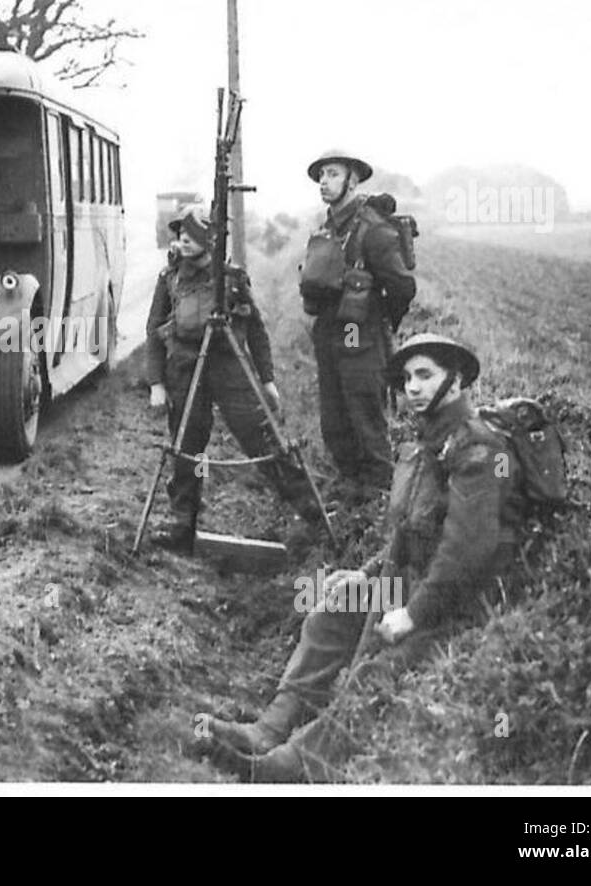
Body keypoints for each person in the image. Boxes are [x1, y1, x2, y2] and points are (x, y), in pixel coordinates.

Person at [204, 333, 526, 782]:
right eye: (407, 378)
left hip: (456, 606)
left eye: (425, 375)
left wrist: (412, 615)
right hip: (412, 585)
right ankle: (268, 729)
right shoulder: (423, 447)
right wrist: (366, 572)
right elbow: (405, 537)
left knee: (375, 673)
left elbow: (465, 554)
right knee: (334, 606)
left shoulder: (479, 451)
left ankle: (296, 764)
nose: (412, 388)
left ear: (455, 384)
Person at [144, 205, 322, 553]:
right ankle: (183, 524)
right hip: (184, 370)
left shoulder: (232, 278)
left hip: (229, 368)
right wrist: (156, 383)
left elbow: (255, 329)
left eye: (192, 235)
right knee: (187, 452)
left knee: (263, 441)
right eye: (180, 235)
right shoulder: (169, 278)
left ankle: (310, 512)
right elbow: (153, 330)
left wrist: (267, 380)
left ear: (210, 239)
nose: (184, 241)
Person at [301, 150, 417, 501]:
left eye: (333, 174)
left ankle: (378, 495)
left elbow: (402, 286)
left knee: (365, 413)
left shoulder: (373, 229)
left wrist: (379, 318)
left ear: (352, 180)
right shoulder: (326, 227)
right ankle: (349, 485)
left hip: (360, 336)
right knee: (334, 418)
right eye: (322, 174)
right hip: (329, 333)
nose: (324, 181)